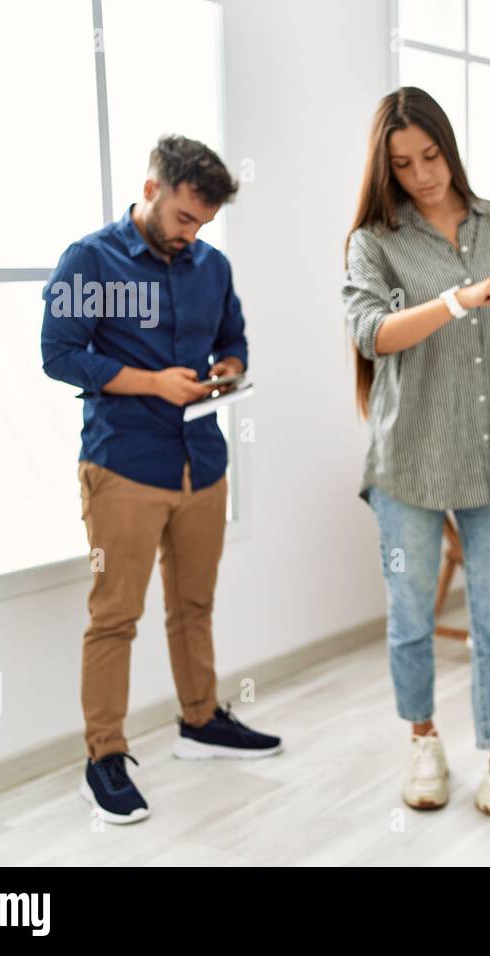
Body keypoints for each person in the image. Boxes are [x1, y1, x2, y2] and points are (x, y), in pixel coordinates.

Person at [41, 135, 282, 826]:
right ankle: (104, 758)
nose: (191, 234)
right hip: (123, 466)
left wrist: (228, 370)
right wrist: (152, 383)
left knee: (194, 605)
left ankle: (200, 721)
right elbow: (58, 355)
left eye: (203, 223)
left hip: (202, 464)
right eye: (183, 218)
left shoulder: (213, 265)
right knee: (115, 617)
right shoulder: (91, 259)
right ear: (152, 189)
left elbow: (233, 339)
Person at [341, 87, 490, 841]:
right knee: (410, 617)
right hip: (408, 457)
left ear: (449, 147)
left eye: (430, 156)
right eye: (402, 165)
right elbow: (373, 335)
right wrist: (459, 301)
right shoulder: (375, 240)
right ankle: (423, 743)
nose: (422, 175)